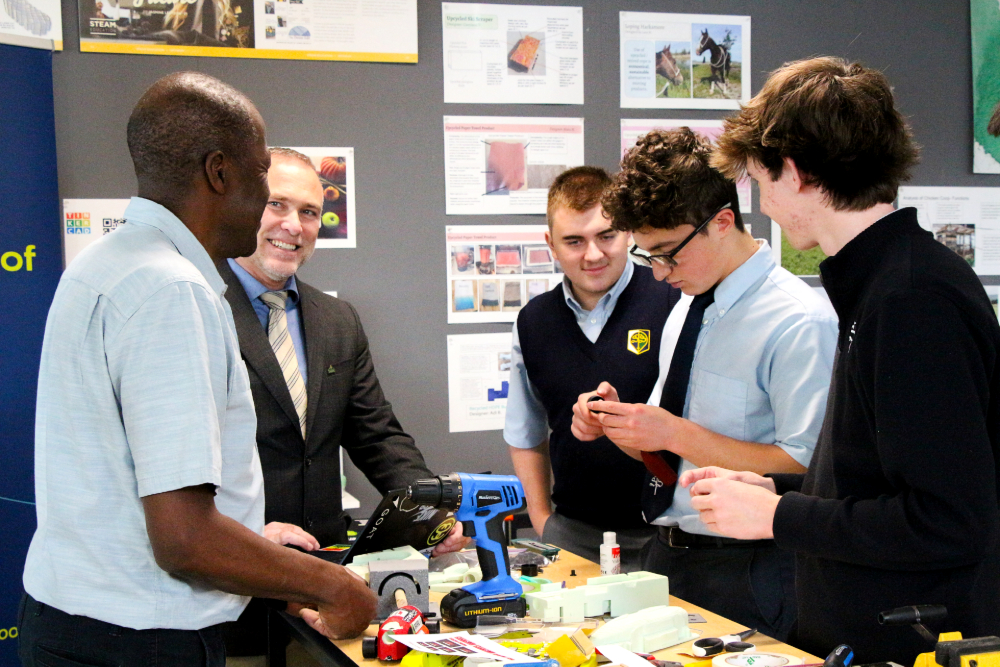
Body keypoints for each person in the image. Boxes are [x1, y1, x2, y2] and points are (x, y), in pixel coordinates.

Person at [19, 72, 376, 667]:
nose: (268, 198)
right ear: (218, 172)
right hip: (140, 643)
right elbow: (184, 541)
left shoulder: (105, 263)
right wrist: (330, 585)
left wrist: (250, 536)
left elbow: (121, 483)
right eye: (262, 174)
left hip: (76, 627)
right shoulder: (171, 292)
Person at [683, 56, 1000, 663]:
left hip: (911, 641)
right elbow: (882, 476)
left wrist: (780, 517)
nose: (765, 205)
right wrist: (777, 489)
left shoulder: (912, 298)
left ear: (796, 172)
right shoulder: (879, 283)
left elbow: (948, 519)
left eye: (760, 181)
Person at [571, 128, 837, 641]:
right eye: (649, 256)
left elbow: (808, 469)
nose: (659, 274)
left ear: (722, 222)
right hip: (670, 554)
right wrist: (620, 426)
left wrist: (673, 433)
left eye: (670, 253)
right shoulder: (690, 307)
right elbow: (668, 456)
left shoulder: (799, 321)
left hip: (756, 570)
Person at [217, 147, 466, 657]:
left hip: (321, 594)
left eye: (309, 212)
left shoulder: (336, 319)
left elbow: (376, 433)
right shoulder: (195, 303)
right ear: (245, 207)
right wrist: (240, 531)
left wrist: (429, 509)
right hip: (226, 591)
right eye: (277, 205)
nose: (294, 225)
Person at [505, 166, 682, 570]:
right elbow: (525, 431)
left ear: (629, 232)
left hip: (665, 532)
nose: (594, 254)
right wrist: (541, 520)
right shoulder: (534, 321)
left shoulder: (673, 301)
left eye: (607, 236)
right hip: (573, 535)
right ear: (551, 244)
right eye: (574, 241)